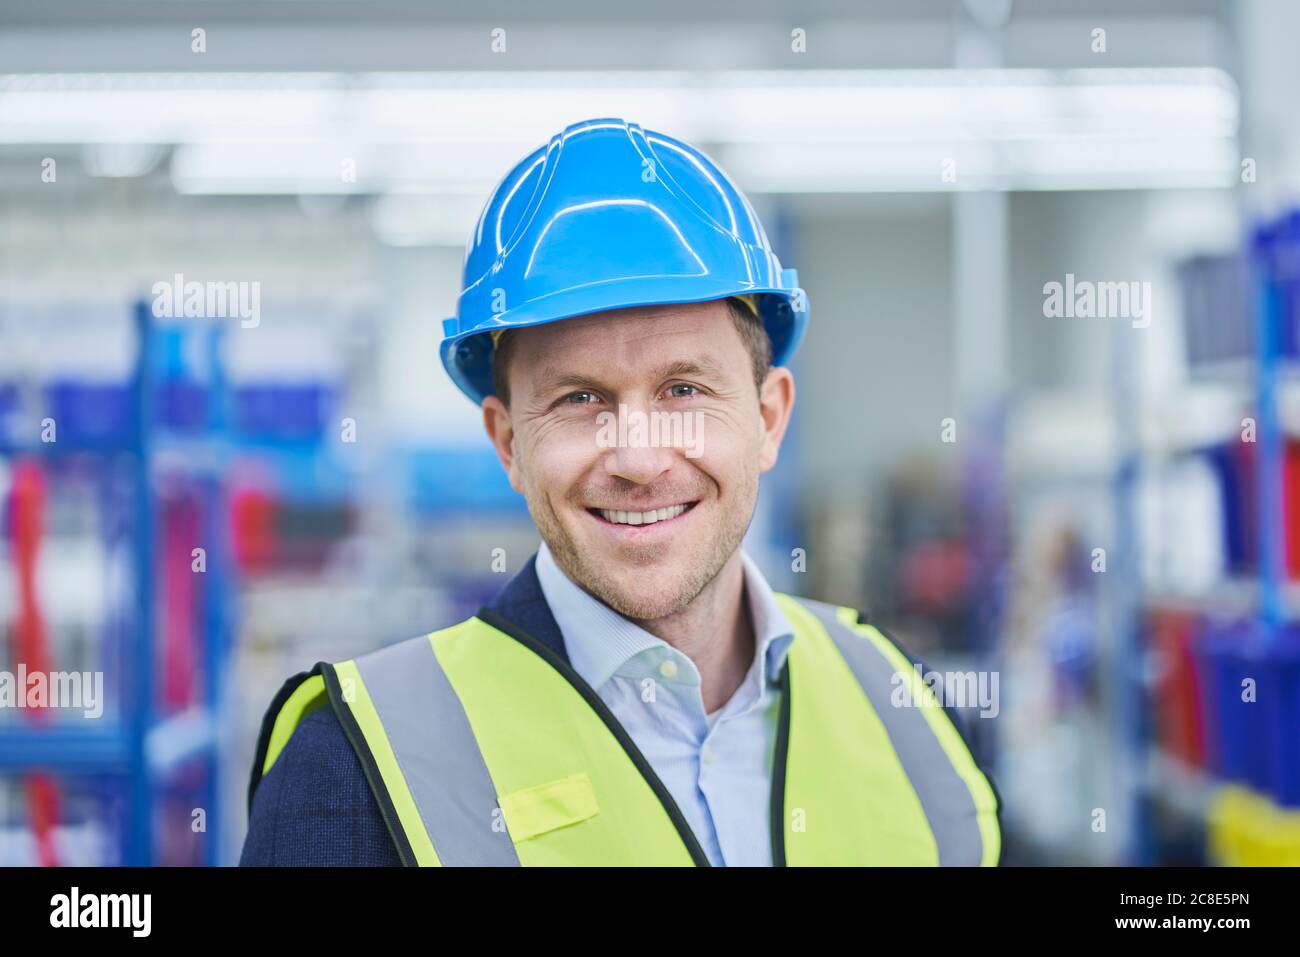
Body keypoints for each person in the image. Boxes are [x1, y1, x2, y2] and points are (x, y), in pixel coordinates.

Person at [241, 117, 1000, 866]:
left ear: (768, 418)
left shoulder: (898, 699)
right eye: (579, 399)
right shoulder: (352, 772)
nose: (636, 457)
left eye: (683, 388)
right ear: (509, 441)